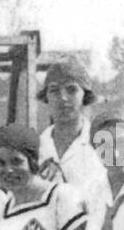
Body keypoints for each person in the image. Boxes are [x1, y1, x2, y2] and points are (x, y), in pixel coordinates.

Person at [36, 57, 108, 205]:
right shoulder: (36, 147)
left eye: (71, 89)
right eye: (54, 90)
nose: (62, 98)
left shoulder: (102, 143)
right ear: (46, 97)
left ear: (85, 96)